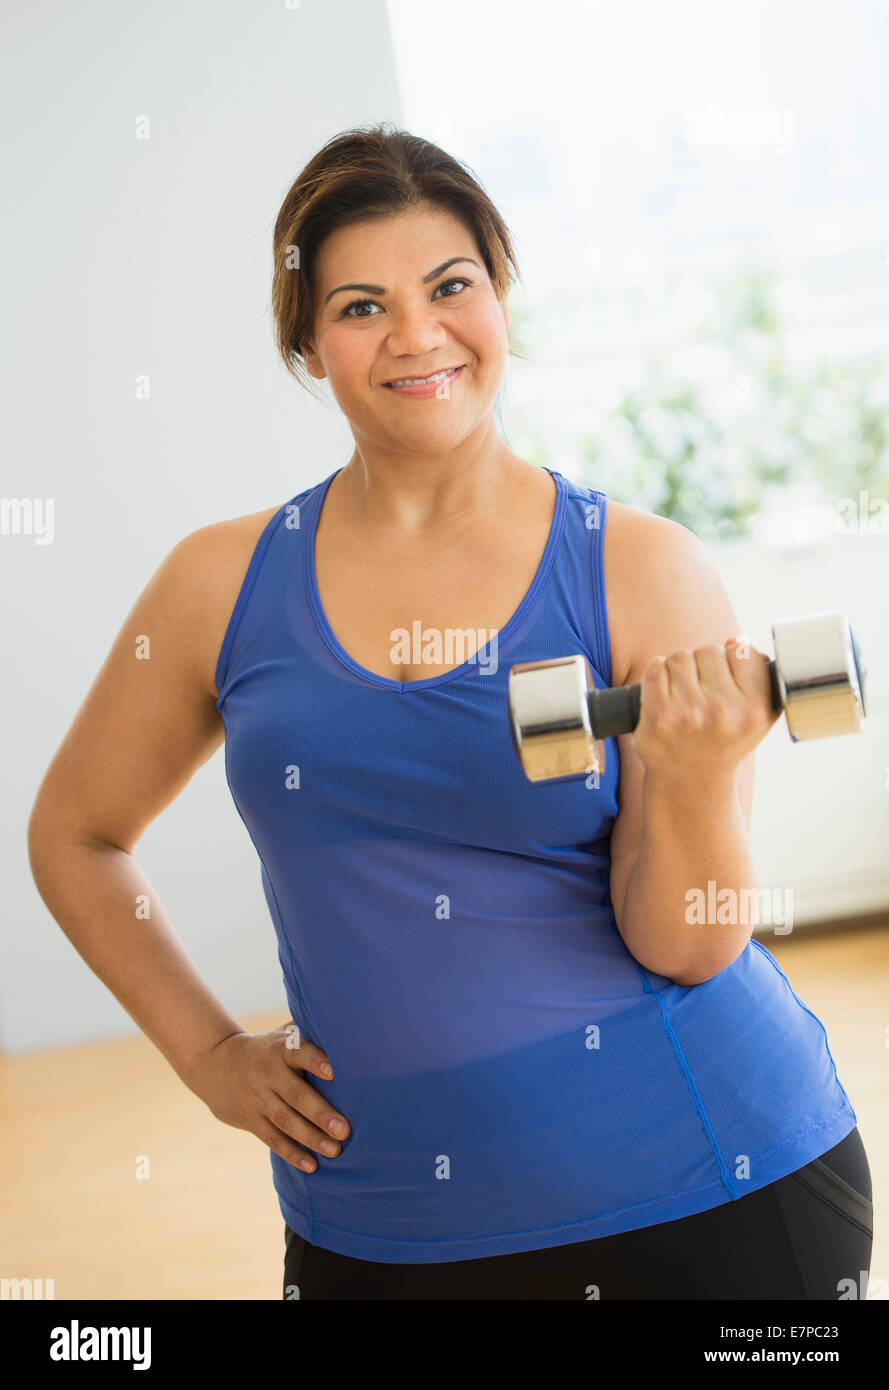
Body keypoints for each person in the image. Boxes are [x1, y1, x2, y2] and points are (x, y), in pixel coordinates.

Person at [27, 123, 873, 1301]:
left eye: (450, 285)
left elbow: (684, 941)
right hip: (382, 1224)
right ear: (307, 341)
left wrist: (688, 771)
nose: (417, 335)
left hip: (708, 1188)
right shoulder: (217, 585)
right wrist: (210, 1054)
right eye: (362, 305)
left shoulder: (637, 566)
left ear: (501, 296)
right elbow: (76, 831)